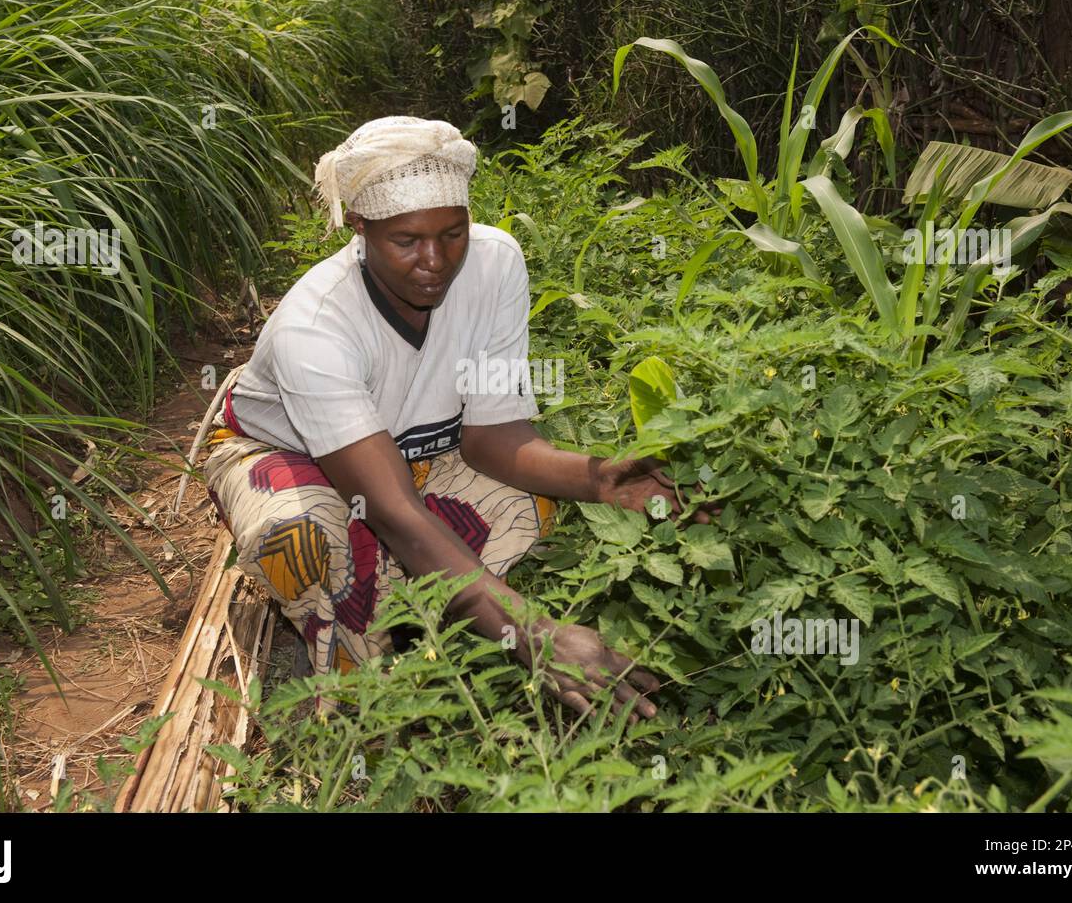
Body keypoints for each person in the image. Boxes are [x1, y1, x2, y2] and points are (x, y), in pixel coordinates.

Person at [201, 116, 713, 724]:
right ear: (361, 229)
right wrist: (534, 634)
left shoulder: (495, 265)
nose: (435, 261)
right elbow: (393, 510)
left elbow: (494, 437)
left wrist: (601, 479)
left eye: (452, 233)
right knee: (309, 537)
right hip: (283, 454)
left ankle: (423, 612)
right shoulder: (316, 326)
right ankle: (354, 699)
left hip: (409, 452)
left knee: (532, 501)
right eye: (407, 240)